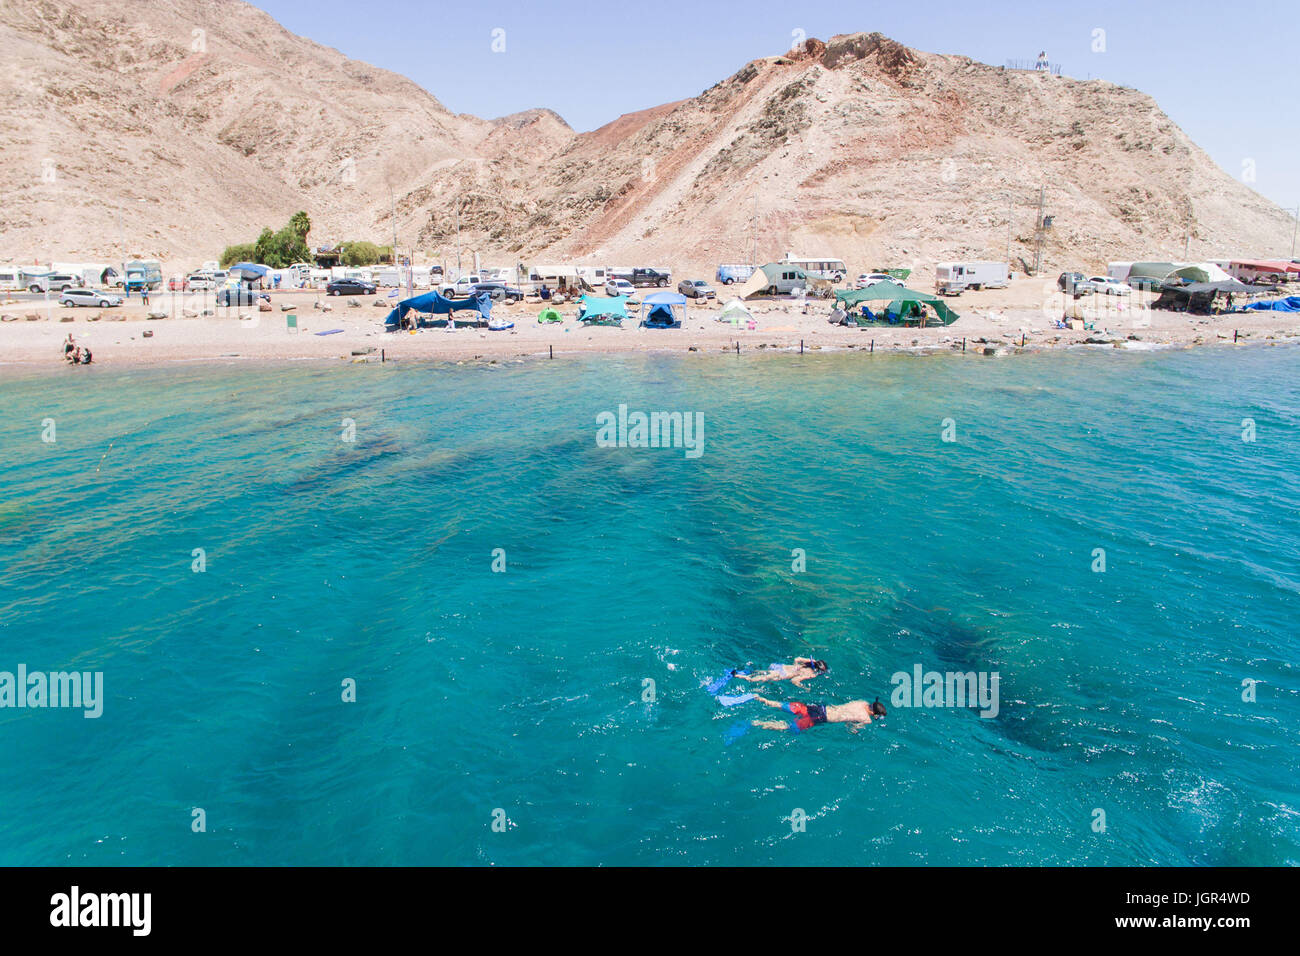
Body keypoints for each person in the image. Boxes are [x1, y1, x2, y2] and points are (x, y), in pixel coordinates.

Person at [750, 694, 886, 733]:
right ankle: (758, 723)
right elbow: (852, 729)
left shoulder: (862, 702)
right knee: (789, 727)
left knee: (783, 706)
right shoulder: (866, 719)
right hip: (820, 717)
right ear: (874, 713)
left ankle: (761, 699)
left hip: (819, 708)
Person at [733, 658, 828, 688]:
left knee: (764, 673)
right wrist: (804, 687)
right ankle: (738, 676)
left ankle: (748, 672)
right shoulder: (811, 674)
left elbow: (796, 659)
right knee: (760, 679)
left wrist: (795, 667)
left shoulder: (807, 663)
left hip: (779, 666)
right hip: (781, 674)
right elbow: (794, 681)